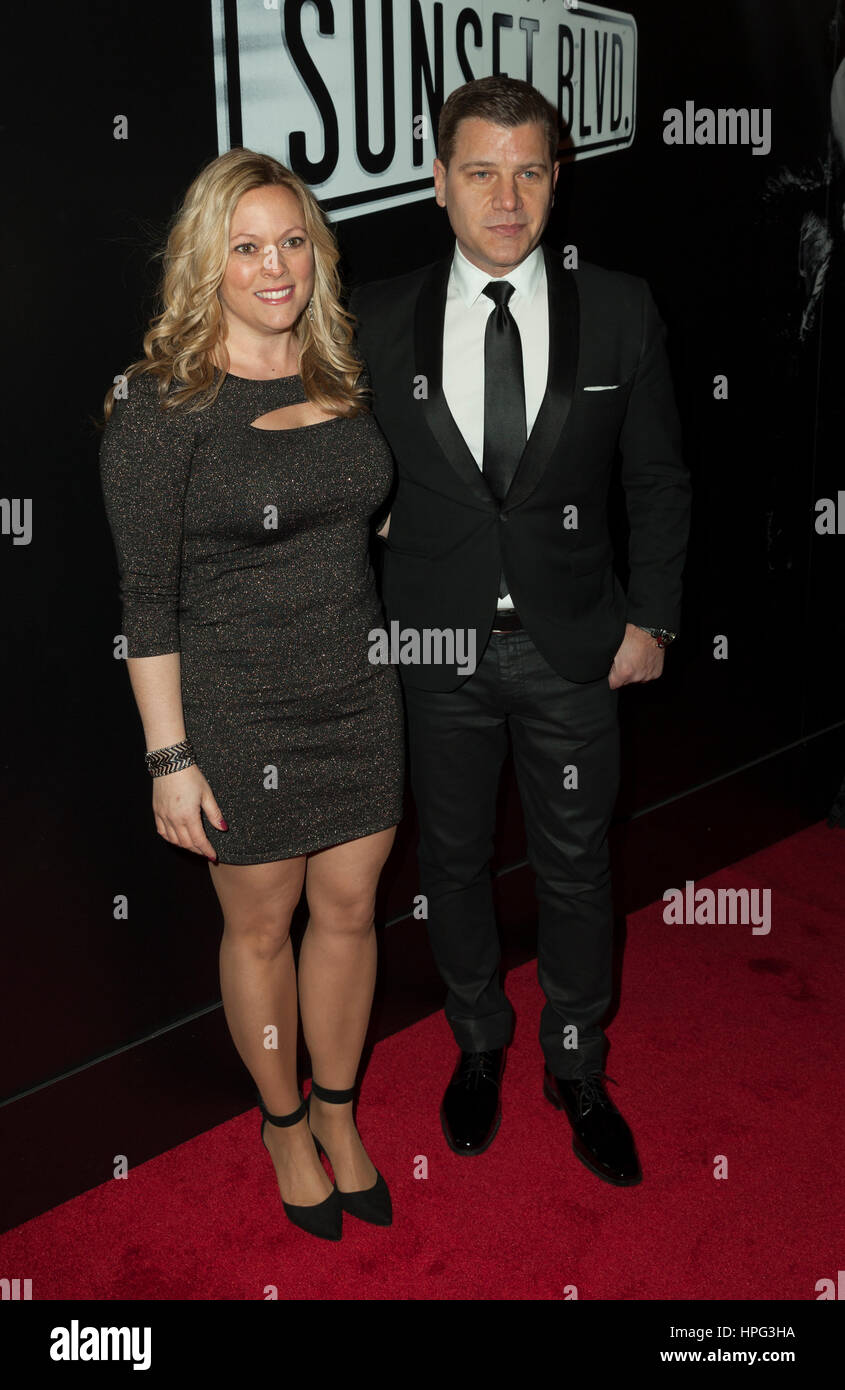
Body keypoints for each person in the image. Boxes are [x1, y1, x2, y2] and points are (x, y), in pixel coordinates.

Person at [350, 76, 691, 1186]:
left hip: (574, 647)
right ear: (438, 180)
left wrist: (651, 617)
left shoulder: (623, 307)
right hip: (431, 652)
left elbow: (657, 479)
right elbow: (331, 470)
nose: (506, 198)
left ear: (557, 180)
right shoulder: (374, 316)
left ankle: (576, 1063)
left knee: (577, 868)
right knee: (449, 862)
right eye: (481, 171)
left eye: (529, 170)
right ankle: (478, 1044)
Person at [99, 148, 404, 1240]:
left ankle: (337, 1109)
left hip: (358, 696)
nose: (272, 267)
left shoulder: (339, 369)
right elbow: (145, 598)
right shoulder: (161, 404)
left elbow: (361, 514)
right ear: (206, 263)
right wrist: (169, 758)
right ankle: (282, 1122)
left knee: (354, 911)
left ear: (314, 254)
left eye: (290, 242)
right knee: (263, 927)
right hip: (236, 712)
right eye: (244, 247)